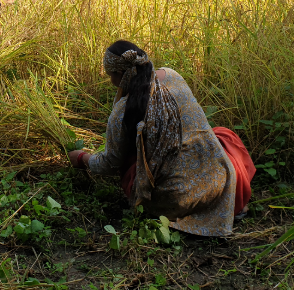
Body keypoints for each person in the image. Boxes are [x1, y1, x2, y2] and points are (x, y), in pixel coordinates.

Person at [67, 41, 255, 236]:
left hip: (179, 197)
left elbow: (110, 163)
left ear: (120, 75)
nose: (110, 81)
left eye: (110, 75)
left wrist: (82, 158)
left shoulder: (122, 111)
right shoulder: (173, 75)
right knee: (223, 134)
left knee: (132, 163)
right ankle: (232, 203)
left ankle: (194, 213)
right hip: (222, 179)